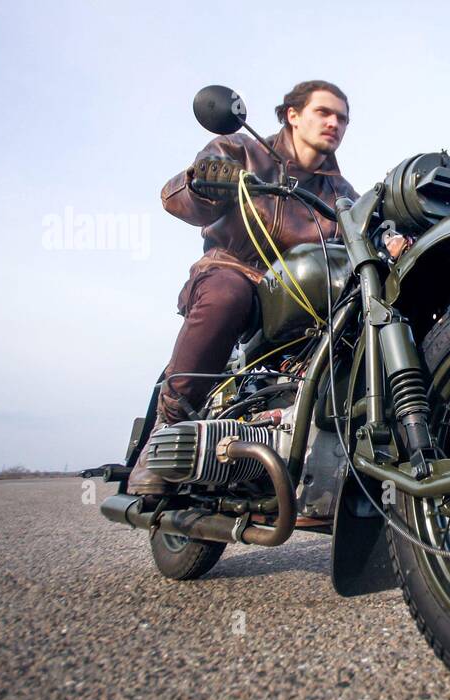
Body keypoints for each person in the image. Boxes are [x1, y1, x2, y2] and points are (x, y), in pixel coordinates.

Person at [128, 80, 361, 495]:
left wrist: (393, 238)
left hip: (298, 300)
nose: (334, 123)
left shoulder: (340, 193)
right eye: (324, 112)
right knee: (227, 295)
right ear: (292, 114)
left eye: (342, 117)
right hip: (232, 268)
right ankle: (166, 432)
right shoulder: (240, 150)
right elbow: (177, 197)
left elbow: (362, 237)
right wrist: (202, 183)